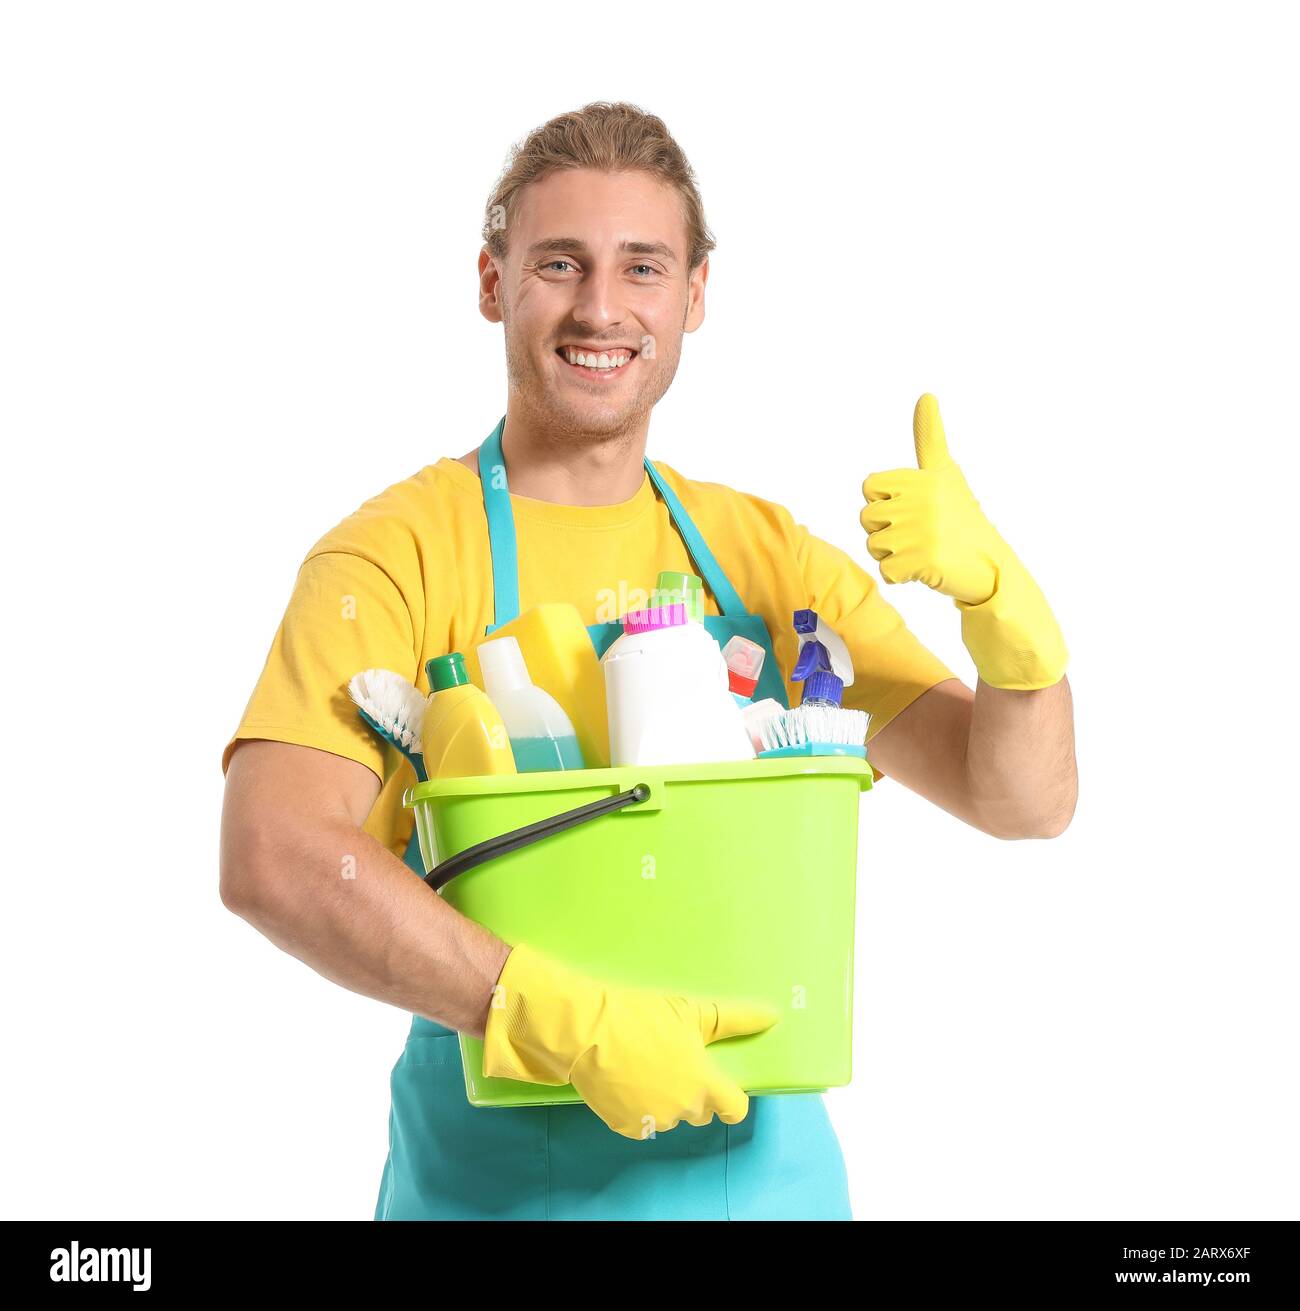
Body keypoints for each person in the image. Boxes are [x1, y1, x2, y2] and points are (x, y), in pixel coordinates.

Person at [219, 100, 1077, 1221]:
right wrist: (548, 1018)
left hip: (767, 1191)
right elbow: (272, 853)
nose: (600, 308)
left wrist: (1008, 622)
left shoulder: (763, 562)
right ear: (492, 283)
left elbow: (1019, 798)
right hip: (494, 1194)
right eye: (559, 264)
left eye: (642, 267)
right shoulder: (398, 556)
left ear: (693, 295)